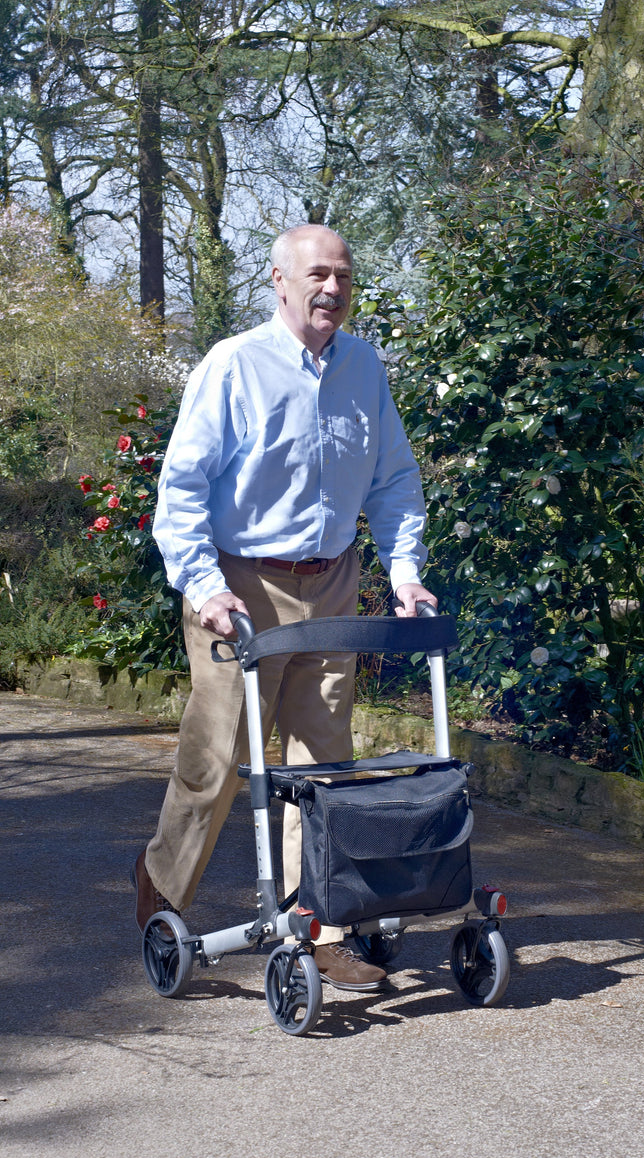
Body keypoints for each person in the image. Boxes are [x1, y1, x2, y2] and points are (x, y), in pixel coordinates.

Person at [131, 223, 437, 990]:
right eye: (316, 275)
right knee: (221, 761)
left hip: (331, 580)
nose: (331, 288)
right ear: (278, 281)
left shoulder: (364, 367)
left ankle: (318, 924)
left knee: (324, 768)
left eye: (342, 275)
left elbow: (394, 481)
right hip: (240, 587)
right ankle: (162, 892)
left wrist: (403, 573)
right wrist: (202, 586)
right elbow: (183, 490)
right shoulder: (233, 365)